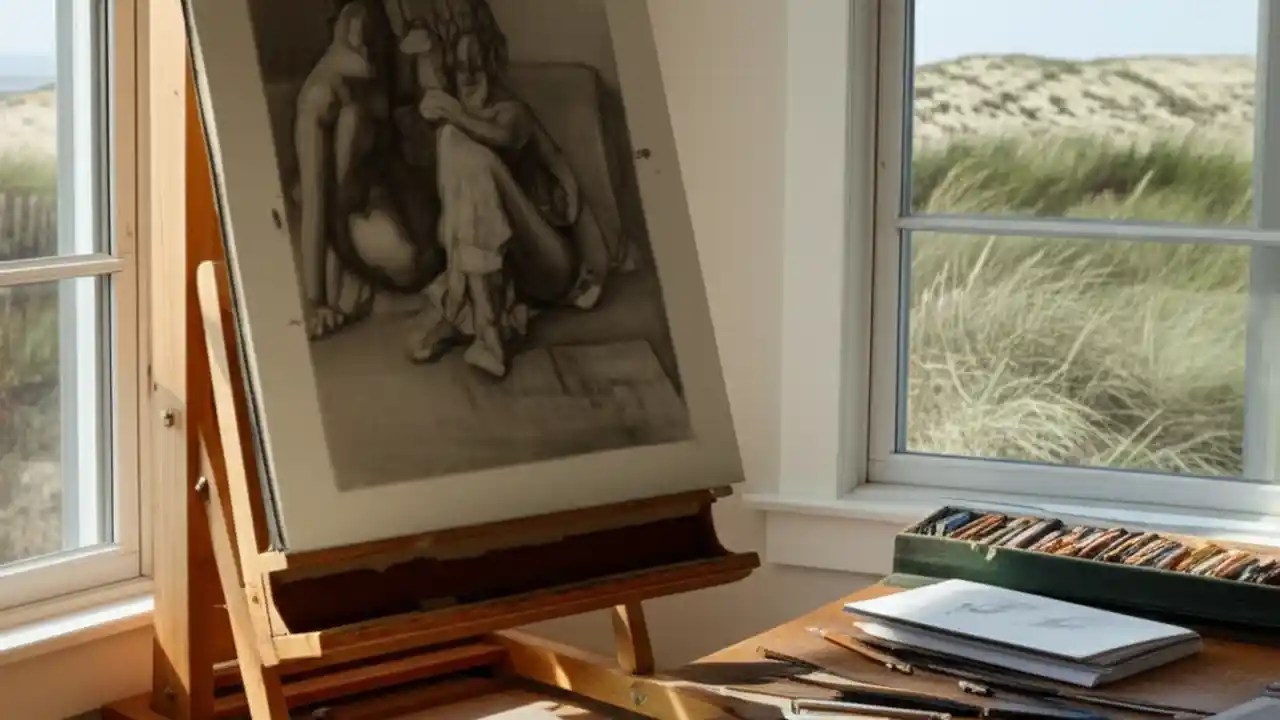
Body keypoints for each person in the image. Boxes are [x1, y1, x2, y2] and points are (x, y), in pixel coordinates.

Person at [406, 29, 610, 377]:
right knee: (454, 144)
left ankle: (476, 321)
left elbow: (500, 137)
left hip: (550, 262)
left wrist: (451, 111)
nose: (469, 75)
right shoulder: (453, 134)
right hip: (508, 272)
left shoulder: (512, 113)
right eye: (460, 66)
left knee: (461, 144)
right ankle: (488, 330)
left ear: (493, 65)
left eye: (477, 64)